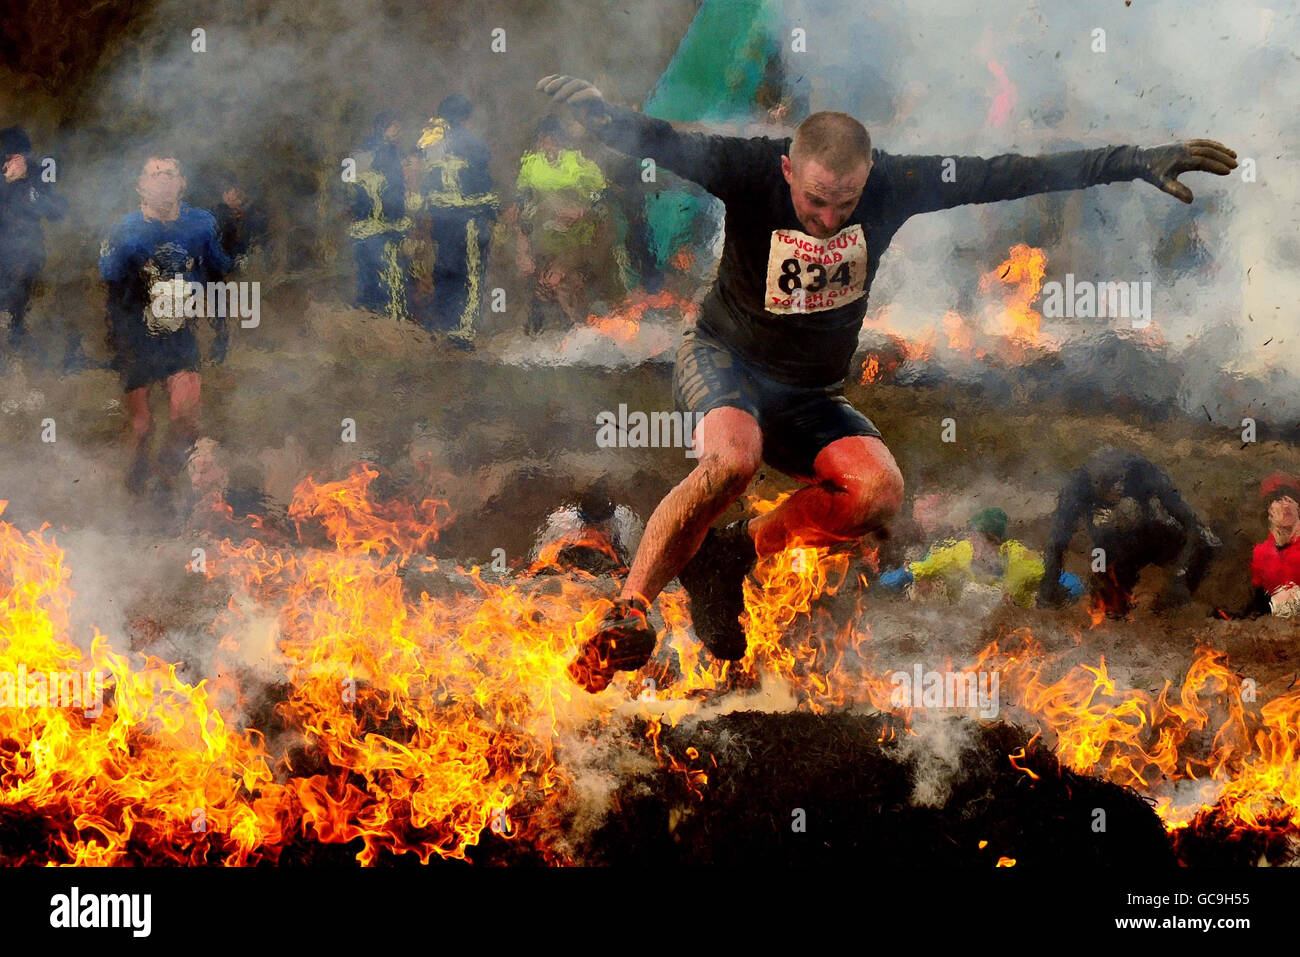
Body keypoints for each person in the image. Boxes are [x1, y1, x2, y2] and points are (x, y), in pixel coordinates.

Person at [533, 75, 1238, 692]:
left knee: (879, 493)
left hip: (810, 394)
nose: (831, 219)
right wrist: (603, 119)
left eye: (846, 204)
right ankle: (631, 607)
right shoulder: (748, 171)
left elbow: (1013, 172)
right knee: (734, 461)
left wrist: (1132, 161)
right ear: (787, 171)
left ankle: (728, 557)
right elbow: (666, 141)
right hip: (727, 361)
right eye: (815, 203)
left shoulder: (898, 183)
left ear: (869, 177)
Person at [100, 154, 232, 496]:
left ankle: (166, 483)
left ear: (182, 182)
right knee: (142, 427)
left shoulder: (201, 223)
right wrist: (116, 338)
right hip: (136, 333)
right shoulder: (124, 230)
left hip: (180, 332)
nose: (162, 180)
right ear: (140, 186)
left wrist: (220, 328)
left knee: (186, 422)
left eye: (169, 174)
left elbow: (218, 273)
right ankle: (133, 486)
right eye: (154, 175)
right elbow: (111, 287)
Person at [1037, 449, 1221, 616]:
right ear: (1093, 481)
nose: (1114, 489)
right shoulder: (1077, 487)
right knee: (1108, 599)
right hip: (1111, 548)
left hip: (1152, 534)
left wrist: (1180, 577)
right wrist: (1048, 589)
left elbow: (1190, 523)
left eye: (1117, 482)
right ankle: (1116, 604)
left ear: (1124, 476)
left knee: (1207, 544)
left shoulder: (1145, 474)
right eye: (1106, 485)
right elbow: (1057, 540)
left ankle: (1174, 603)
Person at [510, 114, 625, 334]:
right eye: (544, 141)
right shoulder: (532, 166)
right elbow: (523, 202)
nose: (548, 147)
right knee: (536, 276)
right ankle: (538, 320)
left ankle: (576, 324)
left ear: (562, 141)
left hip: (579, 236)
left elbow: (602, 198)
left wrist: (582, 210)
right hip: (544, 235)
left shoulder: (579, 164)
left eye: (554, 141)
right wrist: (521, 242)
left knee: (563, 277)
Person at [407, 95, 497, 346]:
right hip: (469, 219)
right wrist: (492, 213)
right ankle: (463, 331)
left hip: (441, 220)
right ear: (467, 119)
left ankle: (443, 326)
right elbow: (483, 183)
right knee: (470, 273)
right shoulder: (474, 145)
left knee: (445, 270)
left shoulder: (429, 143)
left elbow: (416, 174)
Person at [878, 507, 1081, 608]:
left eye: (984, 540)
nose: (976, 545)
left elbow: (1068, 580)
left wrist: (1062, 596)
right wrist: (881, 584)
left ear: (998, 544)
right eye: (974, 537)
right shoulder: (960, 552)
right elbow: (916, 569)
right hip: (964, 627)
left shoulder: (1021, 560)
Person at [0, 125, 67, 355]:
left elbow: (58, 212)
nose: (13, 161)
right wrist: (6, 182)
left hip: (26, 252)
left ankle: (15, 333)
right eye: (8, 156)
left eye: (18, 156)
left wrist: (30, 184)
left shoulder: (40, 173)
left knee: (17, 292)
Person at [348, 114, 411, 321]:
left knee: (368, 273)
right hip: (381, 226)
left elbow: (349, 192)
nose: (398, 132)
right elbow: (393, 193)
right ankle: (393, 319)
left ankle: (368, 316)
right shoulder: (387, 154)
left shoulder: (360, 153)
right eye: (394, 127)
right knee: (388, 272)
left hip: (364, 227)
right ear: (384, 128)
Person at [1243, 473, 1300, 618]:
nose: (1286, 505)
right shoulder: (1260, 553)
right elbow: (1259, 604)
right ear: (1269, 510)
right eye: (1279, 499)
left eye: (1291, 499)